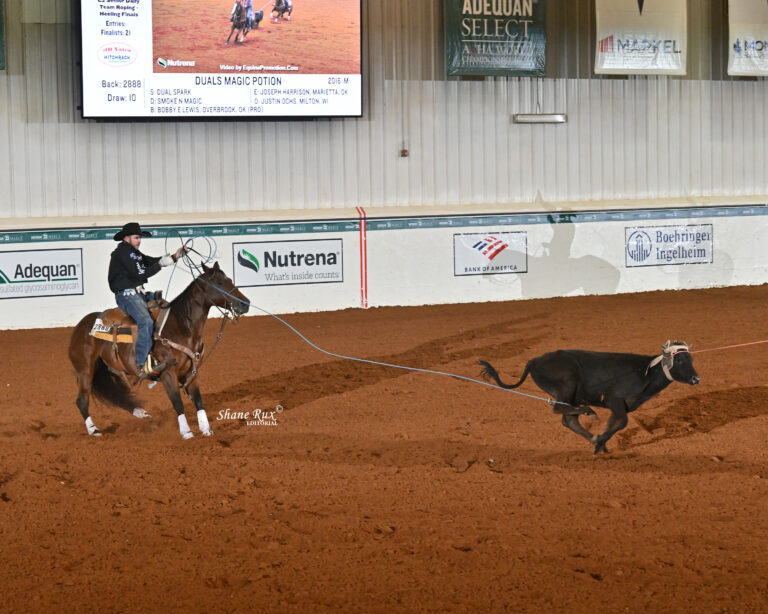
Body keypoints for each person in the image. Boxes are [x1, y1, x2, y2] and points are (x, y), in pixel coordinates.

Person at [108, 222, 187, 377]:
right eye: (137, 237)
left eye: (139, 238)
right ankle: (140, 363)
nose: (139, 240)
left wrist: (174, 257)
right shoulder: (124, 253)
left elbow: (149, 261)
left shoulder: (133, 252)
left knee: (165, 307)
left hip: (138, 293)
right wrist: (160, 264)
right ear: (127, 238)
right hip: (126, 296)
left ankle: (159, 349)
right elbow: (141, 274)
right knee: (146, 321)